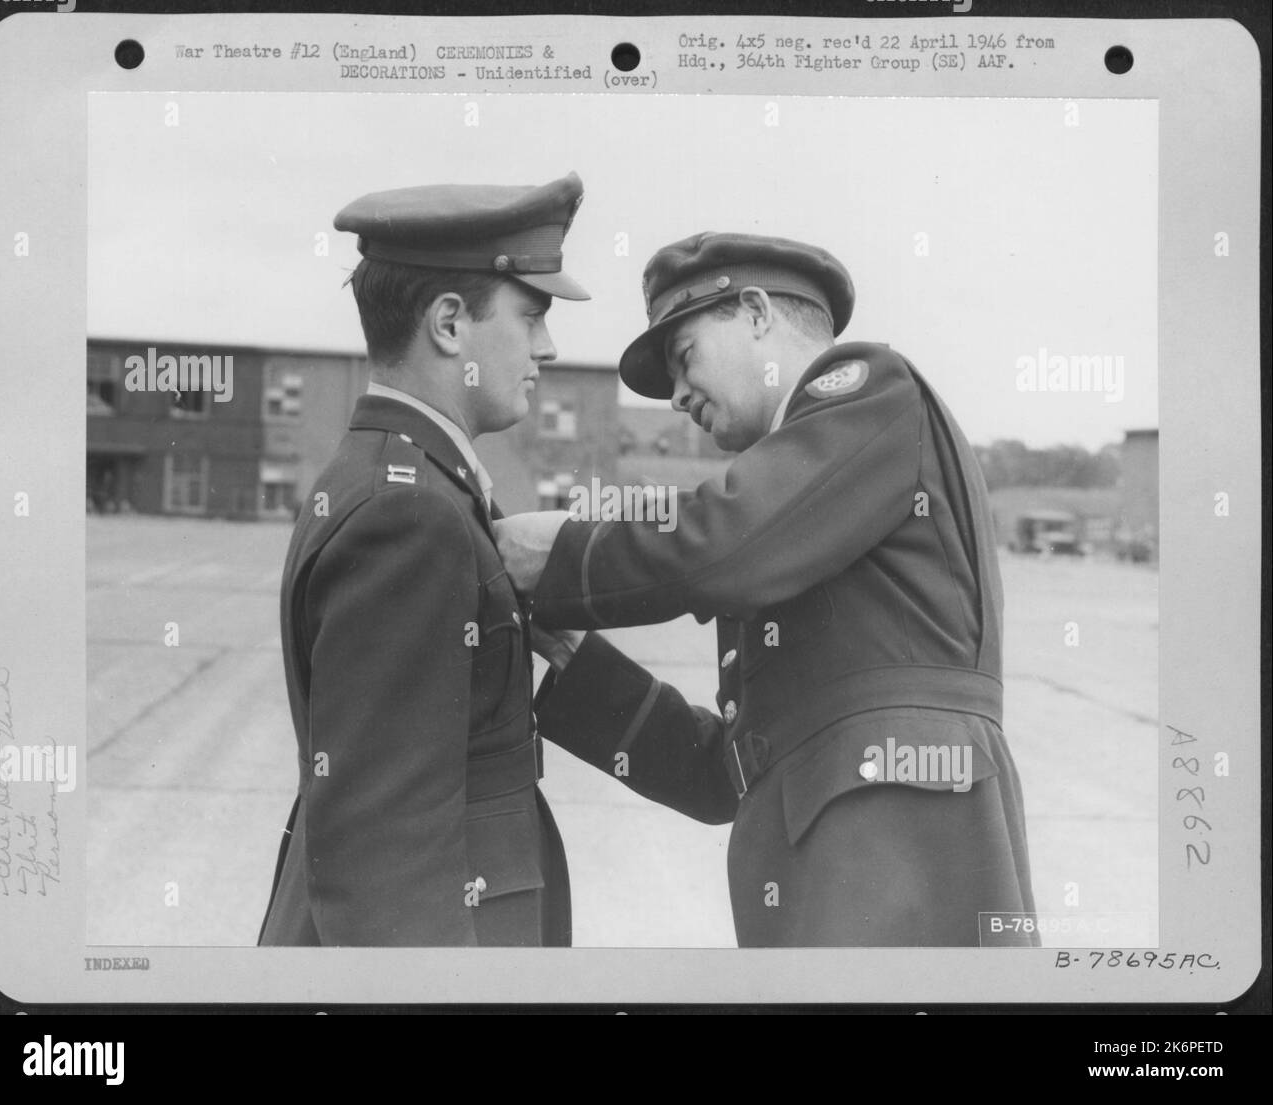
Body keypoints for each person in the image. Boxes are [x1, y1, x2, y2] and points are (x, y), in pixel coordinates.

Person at [498, 231, 1039, 947]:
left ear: (756, 313)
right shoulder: (796, 510)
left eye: (684, 357)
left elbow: (722, 543)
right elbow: (727, 773)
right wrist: (576, 660)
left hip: (900, 857)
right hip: (846, 870)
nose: (680, 396)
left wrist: (562, 550)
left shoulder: (872, 389)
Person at [258, 172, 590, 946]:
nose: (547, 345)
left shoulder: (408, 481)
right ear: (449, 324)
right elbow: (385, 858)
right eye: (533, 314)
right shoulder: (410, 515)